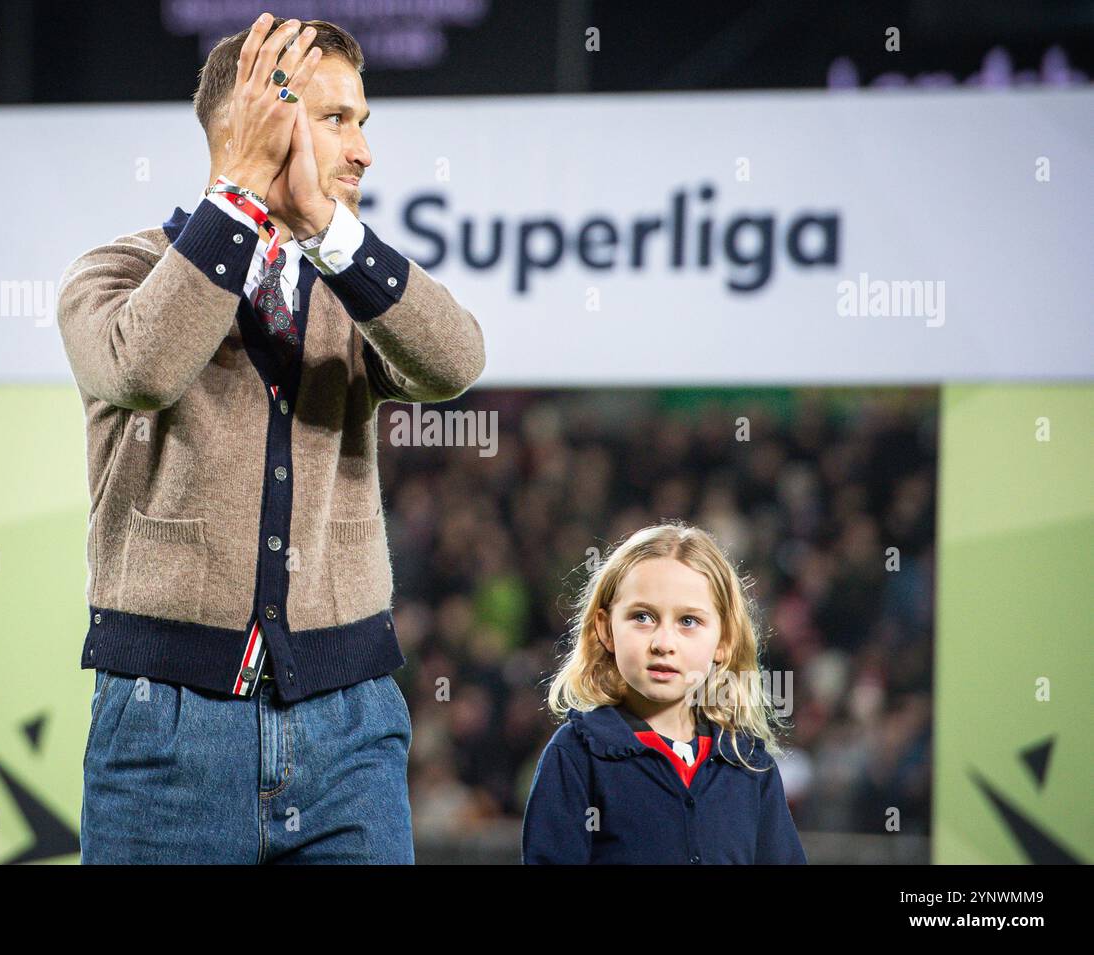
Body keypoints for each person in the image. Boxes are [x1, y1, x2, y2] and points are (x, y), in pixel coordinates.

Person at [56, 13, 485, 863]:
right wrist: (240, 195)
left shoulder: (354, 289)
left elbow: (456, 361)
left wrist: (328, 232)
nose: (364, 151)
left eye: (363, 122)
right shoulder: (115, 272)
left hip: (350, 719)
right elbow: (145, 367)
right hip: (164, 728)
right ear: (252, 124)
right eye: (337, 120)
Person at [521, 521, 807, 864]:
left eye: (688, 621)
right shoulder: (576, 756)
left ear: (725, 641)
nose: (663, 644)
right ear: (605, 628)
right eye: (642, 617)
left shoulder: (748, 764)